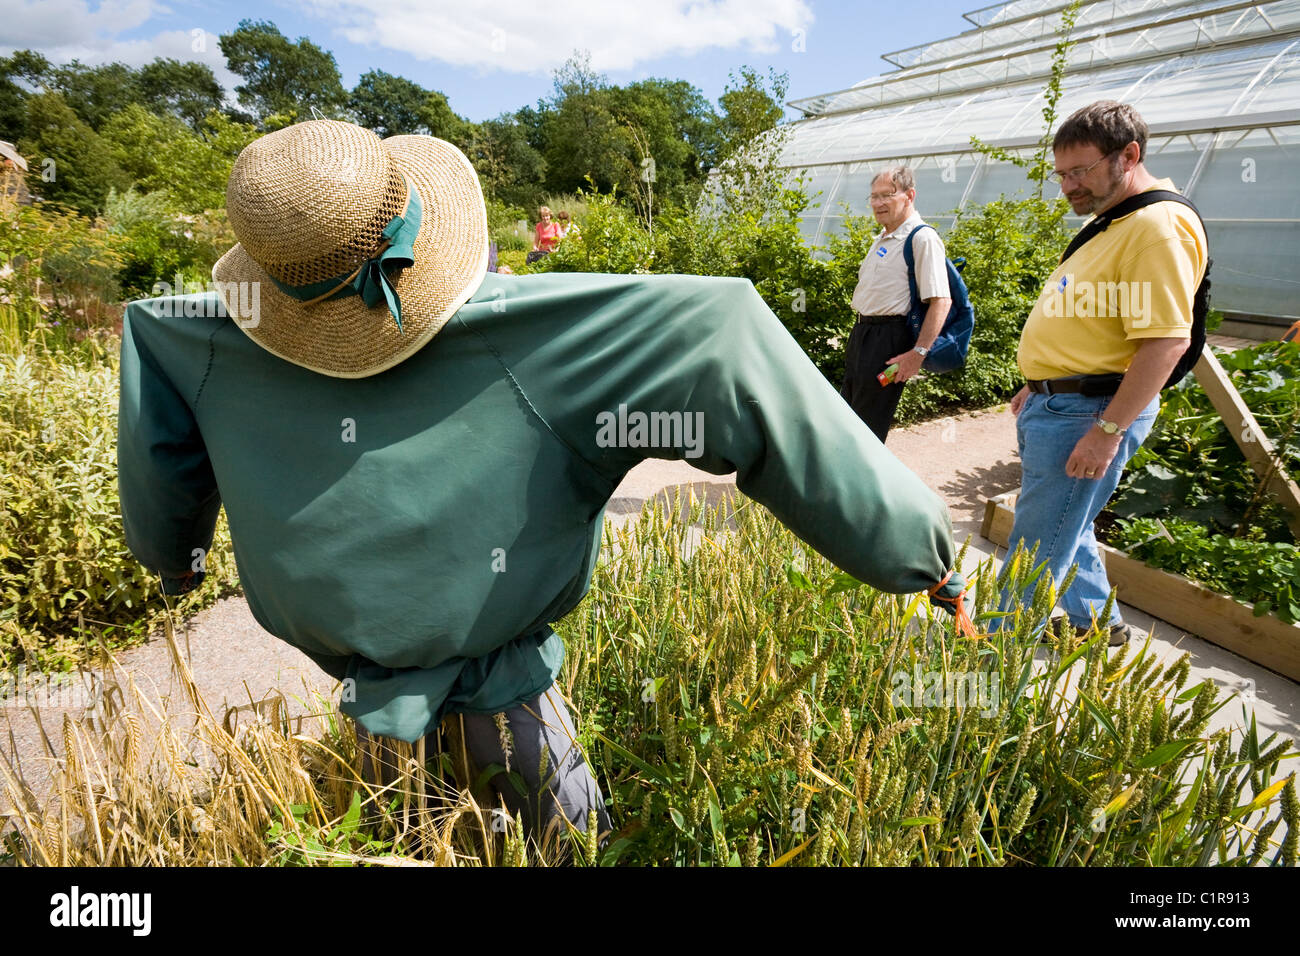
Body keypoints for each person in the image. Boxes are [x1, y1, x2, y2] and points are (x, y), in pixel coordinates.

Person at [116, 120, 972, 848]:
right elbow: (724, 340)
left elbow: (163, 445)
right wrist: (923, 557)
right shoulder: (536, 338)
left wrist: (174, 555)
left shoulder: (194, 338)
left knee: (385, 842)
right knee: (570, 850)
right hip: (510, 700)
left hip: (364, 693)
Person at [1001, 101, 1208, 646]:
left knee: (1036, 544)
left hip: (1091, 412)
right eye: (1061, 174)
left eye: (1080, 171)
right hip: (1064, 404)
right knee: (1068, 521)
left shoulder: (1154, 227)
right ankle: (1099, 622)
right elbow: (1095, 323)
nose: (1068, 186)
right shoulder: (1115, 224)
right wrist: (1040, 380)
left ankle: (989, 665)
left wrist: (1107, 431)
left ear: (1129, 155)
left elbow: (1165, 342)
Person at [840, 166, 952, 444]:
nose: (878, 204)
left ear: (909, 195)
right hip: (863, 336)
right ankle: (845, 483)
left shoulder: (922, 238)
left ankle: (862, 485)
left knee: (867, 427)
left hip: (887, 342)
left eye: (887, 195)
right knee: (849, 416)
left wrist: (918, 354)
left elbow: (941, 300)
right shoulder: (883, 237)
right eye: (873, 197)